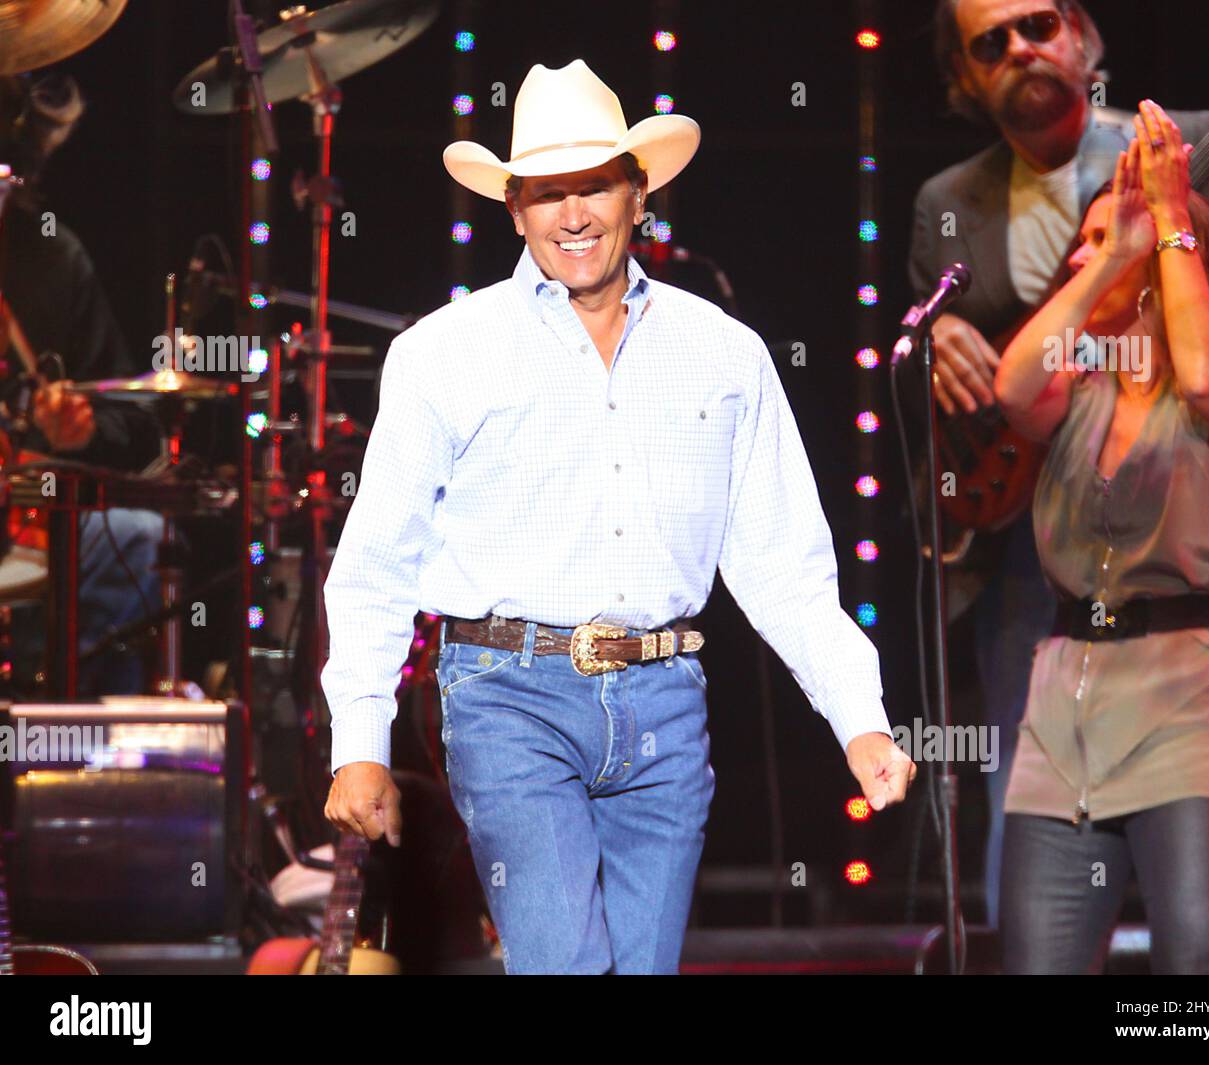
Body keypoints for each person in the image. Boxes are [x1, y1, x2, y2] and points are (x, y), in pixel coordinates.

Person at [320, 59, 916, 974]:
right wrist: (357, 744)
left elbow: (782, 563)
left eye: (595, 185)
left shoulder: (725, 353)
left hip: (665, 703)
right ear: (514, 207)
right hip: (506, 695)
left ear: (640, 193)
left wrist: (859, 718)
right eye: (547, 192)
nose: (573, 214)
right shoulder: (443, 354)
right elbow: (375, 563)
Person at [907, 0, 1209, 926]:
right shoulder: (947, 201)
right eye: (989, 43)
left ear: (1083, 35)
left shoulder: (1183, 148)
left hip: (1181, 516)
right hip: (1031, 537)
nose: (1020, 50)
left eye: (1037, 24)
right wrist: (946, 334)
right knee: (1030, 800)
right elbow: (988, 375)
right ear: (965, 78)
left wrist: (1165, 248)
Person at [992, 102, 1209, 973]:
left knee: (1195, 978)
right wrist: (1118, 248)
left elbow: (1200, 377)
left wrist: (1166, 217)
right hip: (1062, 705)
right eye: (1084, 242)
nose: (1077, 258)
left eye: (1102, 241)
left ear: (1165, 266)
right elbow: (1013, 388)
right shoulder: (1078, 382)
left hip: (1186, 703)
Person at [0, 73, 163, 696]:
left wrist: (82, 426)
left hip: (24, 522)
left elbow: (131, 420)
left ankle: (69, 746)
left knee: (140, 537)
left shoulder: (49, 256)